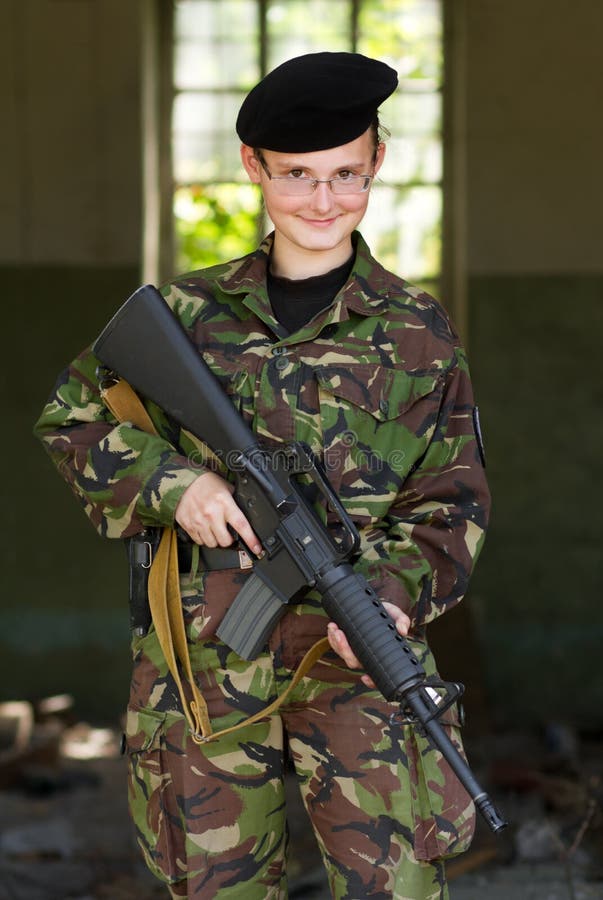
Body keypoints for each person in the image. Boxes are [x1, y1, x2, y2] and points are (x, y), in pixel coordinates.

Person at [35, 52, 490, 900]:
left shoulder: (418, 330)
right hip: (204, 659)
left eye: (345, 174)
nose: (322, 201)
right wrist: (177, 485)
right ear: (253, 166)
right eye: (297, 175)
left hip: (359, 656)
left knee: (394, 885)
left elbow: (450, 501)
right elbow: (72, 420)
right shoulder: (185, 316)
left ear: (376, 163)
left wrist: (391, 598)